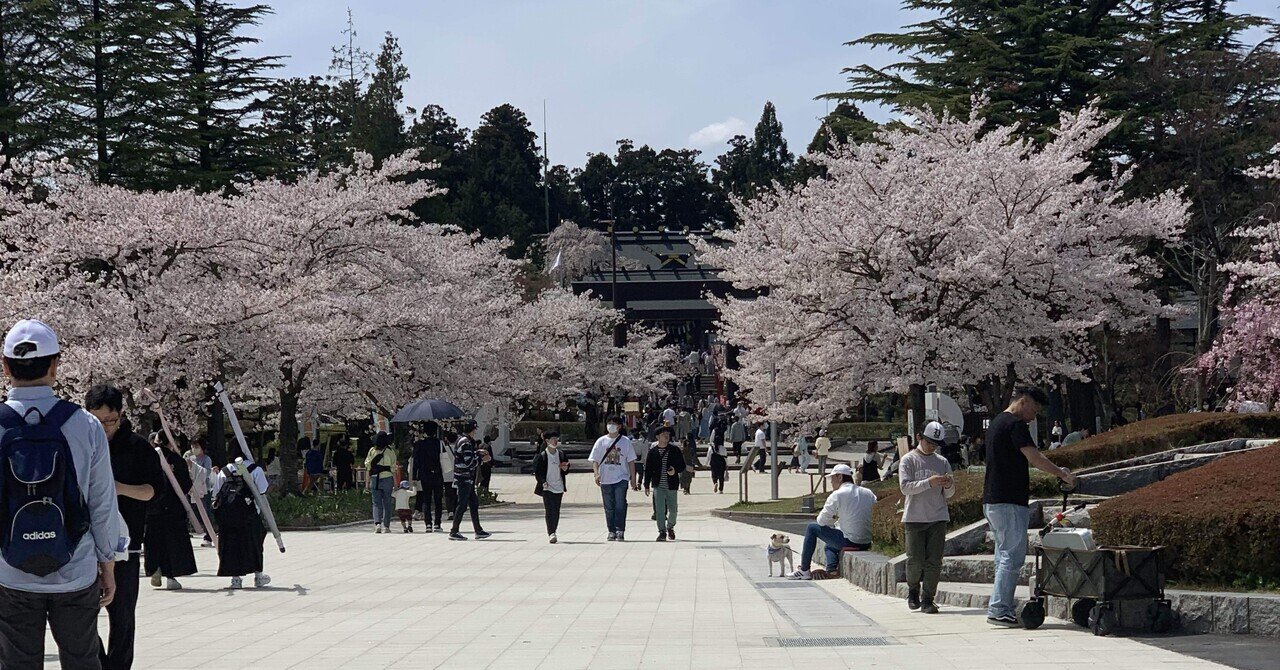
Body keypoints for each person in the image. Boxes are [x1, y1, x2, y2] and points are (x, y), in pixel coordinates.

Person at [0, 320, 120, 670]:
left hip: (9, 570)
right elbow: (102, 502)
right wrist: (108, 563)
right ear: (55, 366)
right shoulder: (85, 424)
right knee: (83, 659)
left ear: (5, 367)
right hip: (75, 566)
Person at [983, 387, 1076, 626]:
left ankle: (1000, 604)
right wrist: (1062, 474)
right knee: (1012, 557)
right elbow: (1035, 458)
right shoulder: (1015, 425)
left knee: (1002, 555)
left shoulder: (996, 423)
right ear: (1023, 402)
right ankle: (999, 608)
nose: (1034, 417)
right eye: (1034, 410)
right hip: (1009, 500)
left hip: (992, 500)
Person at [87, 385, 159, 670]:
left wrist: (118, 488)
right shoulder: (80, 443)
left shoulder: (137, 446)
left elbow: (153, 491)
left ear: (120, 414)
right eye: (97, 420)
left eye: (110, 420)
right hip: (85, 545)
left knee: (123, 618)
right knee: (81, 617)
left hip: (125, 545)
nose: (104, 427)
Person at [900, 421, 956, 614]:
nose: (932, 446)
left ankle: (928, 599)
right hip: (914, 518)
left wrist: (948, 485)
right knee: (915, 560)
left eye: (936, 444)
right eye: (929, 442)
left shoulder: (942, 462)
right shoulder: (908, 460)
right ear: (919, 437)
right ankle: (913, 589)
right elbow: (905, 487)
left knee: (934, 561)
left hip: (938, 517)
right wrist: (929, 482)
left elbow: (949, 494)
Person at [788, 464, 875, 580]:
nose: (831, 482)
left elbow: (821, 521)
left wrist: (834, 517)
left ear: (840, 477)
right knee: (830, 546)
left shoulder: (837, 495)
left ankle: (804, 570)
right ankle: (831, 570)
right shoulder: (868, 492)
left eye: (832, 478)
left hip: (851, 541)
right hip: (867, 541)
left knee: (812, 528)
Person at [144, 431, 197, 590]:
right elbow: (186, 485)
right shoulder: (177, 460)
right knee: (171, 543)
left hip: (152, 506)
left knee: (153, 540)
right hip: (173, 507)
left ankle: (154, 567)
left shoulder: (148, 458)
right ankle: (171, 576)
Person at [211, 458, 271, 589]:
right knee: (255, 544)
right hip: (249, 514)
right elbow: (262, 489)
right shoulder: (255, 469)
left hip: (228, 516)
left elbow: (216, 491)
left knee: (232, 545)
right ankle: (258, 576)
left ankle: (236, 579)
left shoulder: (225, 470)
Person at [588, 415, 639, 541]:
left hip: (621, 478)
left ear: (619, 426)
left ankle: (620, 529)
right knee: (609, 507)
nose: (611, 426)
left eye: (614, 423)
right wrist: (596, 473)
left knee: (620, 504)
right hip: (605, 478)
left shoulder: (625, 441)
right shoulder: (601, 441)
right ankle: (611, 530)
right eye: (609, 423)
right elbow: (595, 460)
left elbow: (631, 461)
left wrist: (633, 478)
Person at [448, 420, 491, 541]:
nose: (475, 432)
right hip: (464, 478)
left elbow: (466, 456)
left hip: (464, 477)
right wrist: (482, 460)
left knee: (473, 503)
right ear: (472, 430)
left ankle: (478, 530)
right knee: (462, 504)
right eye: (475, 429)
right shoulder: (466, 443)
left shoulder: (461, 440)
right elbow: (469, 462)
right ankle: (454, 531)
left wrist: (477, 452)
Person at [643, 426, 686, 541]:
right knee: (660, 510)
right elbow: (648, 470)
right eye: (663, 434)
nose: (666, 436)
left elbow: (682, 466)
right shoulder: (653, 452)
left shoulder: (674, 450)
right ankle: (662, 531)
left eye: (668, 434)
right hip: (658, 485)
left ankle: (670, 526)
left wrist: (674, 470)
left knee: (673, 510)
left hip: (671, 484)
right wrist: (646, 485)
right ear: (657, 437)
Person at [532, 430, 570, 543]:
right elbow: (538, 472)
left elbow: (566, 468)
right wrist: (542, 481)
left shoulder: (561, 454)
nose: (555, 441)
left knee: (556, 510)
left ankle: (554, 529)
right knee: (549, 510)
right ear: (547, 441)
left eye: (556, 439)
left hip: (559, 486)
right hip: (547, 487)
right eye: (553, 439)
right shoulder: (542, 456)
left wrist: (565, 469)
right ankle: (551, 533)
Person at [411, 422, 445, 533]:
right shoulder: (439, 443)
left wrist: (414, 476)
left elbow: (415, 462)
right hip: (437, 473)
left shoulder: (419, 444)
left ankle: (428, 524)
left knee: (426, 499)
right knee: (438, 499)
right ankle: (437, 523)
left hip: (424, 474)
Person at [184, 439, 215, 547]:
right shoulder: (190, 458)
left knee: (205, 512)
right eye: (192, 447)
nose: (194, 449)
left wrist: (193, 466)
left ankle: (209, 536)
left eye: (196, 447)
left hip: (203, 489)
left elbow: (205, 473)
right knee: (189, 511)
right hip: (190, 489)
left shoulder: (206, 459)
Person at [365, 432, 396, 533]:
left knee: (376, 502)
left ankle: (377, 524)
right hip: (387, 478)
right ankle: (386, 526)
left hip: (375, 479)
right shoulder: (390, 451)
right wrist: (396, 484)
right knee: (387, 503)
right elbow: (393, 468)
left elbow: (368, 467)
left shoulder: (372, 451)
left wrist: (367, 484)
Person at [708, 424, 728, 494]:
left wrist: (706, 463)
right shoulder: (723, 448)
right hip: (721, 463)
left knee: (714, 474)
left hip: (713, 462)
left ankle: (715, 482)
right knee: (721, 476)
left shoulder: (711, 448)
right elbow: (725, 457)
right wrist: (727, 464)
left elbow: (708, 456)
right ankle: (721, 489)